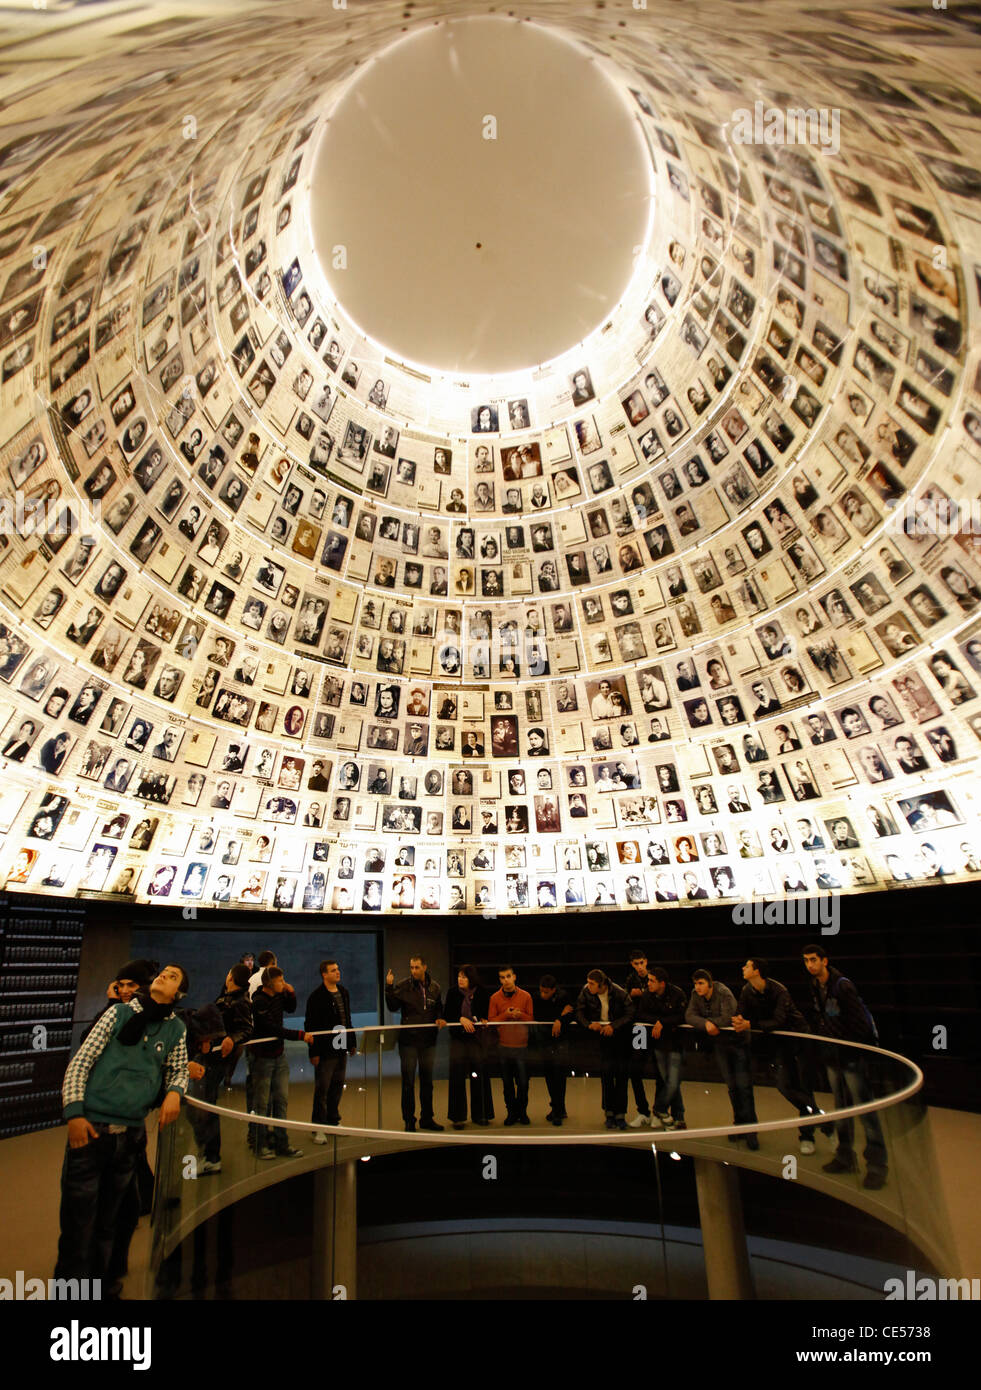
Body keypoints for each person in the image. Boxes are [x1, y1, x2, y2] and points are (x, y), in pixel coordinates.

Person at [56, 964, 190, 1286]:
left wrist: (175, 1091)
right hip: (91, 1131)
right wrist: (74, 1113)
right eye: (163, 973)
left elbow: (179, 1069)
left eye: (172, 977)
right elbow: (82, 1061)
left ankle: (101, 1289)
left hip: (130, 1137)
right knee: (78, 1226)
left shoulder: (176, 1029)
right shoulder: (117, 1014)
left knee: (109, 1223)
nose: (163, 976)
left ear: (179, 994)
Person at [801, 945, 887, 1189]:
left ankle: (877, 1165)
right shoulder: (815, 986)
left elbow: (859, 1024)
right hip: (833, 1059)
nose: (810, 965)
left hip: (850, 1059)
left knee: (866, 1110)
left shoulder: (842, 986)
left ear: (824, 961)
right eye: (806, 961)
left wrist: (850, 1051)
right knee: (841, 1108)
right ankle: (845, 1155)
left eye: (814, 960)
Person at [732, 958, 827, 1154]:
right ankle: (818, 1116)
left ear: (757, 971)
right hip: (777, 1046)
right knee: (785, 1086)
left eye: (747, 966)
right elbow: (740, 1012)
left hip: (798, 1043)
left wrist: (750, 1024)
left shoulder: (779, 991)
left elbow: (780, 1020)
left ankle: (808, 1134)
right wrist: (739, 1020)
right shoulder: (746, 991)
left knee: (802, 1087)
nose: (743, 968)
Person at [187, 964, 253, 1174]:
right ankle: (207, 1154)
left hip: (215, 1061)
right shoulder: (226, 997)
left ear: (231, 977)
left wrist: (231, 1040)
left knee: (204, 1107)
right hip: (210, 1056)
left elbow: (246, 1029)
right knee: (201, 1106)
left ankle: (210, 1156)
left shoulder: (239, 1001)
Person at [686, 969, 758, 1147]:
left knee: (744, 1088)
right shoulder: (695, 995)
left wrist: (713, 1023)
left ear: (710, 984)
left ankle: (751, 1130)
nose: (698, 987)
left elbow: (728, 1016)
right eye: (696, 984)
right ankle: (739, 1125)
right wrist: (706, 1024)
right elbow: (689, 1015)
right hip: (720, 1046)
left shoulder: (723, 993)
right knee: (732, 1087)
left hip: (738, 1044)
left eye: (701, 983)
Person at [249, 966, 312, 1159]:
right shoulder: (258, 1001)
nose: (283, 983)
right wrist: (300, 1035)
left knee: (281, 1101)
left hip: (279, 1056)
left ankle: (281, 1143)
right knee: (262, 1103)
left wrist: (290, 994)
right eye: (280, 980)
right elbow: (271, 1028)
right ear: (269, 983)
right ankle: (260, 1145)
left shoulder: (278, 996)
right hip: (263, 1059)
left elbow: (290, 1008)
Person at [385, 956, 445, 1132]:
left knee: (427, 1082)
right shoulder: (403, 986)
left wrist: (440, 1017)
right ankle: (409, 1120)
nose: (414, 971)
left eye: (417, 967)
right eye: (411, 967)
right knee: (408, 1083)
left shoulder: (435, 987)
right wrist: (389, 987)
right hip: (408, 1042)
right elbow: (392, 1006)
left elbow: (438, 1007)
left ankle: (427, 1118)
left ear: (424, 967)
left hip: (428, 1041)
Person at [576, 969, 636, 1128]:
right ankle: (609, 1113)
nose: (588, 986)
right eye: (588, 983)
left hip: (621, 1038)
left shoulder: (619, 993)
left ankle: (620, 1114)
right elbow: (579, 1012)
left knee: (622, 1076)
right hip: (603, 1038)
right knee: (607, 1075)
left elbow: (630, 1013)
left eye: (592, 984)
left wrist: (613, 1026)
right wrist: (589, 1024)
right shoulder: (586, 992)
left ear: (601, 985)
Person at [305, 959, 358, 1133]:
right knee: (322, 1088)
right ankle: (318, 1126)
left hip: (341, 1045)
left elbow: (347, 1019)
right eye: (333, 970)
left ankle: (333, 1121)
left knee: (337, 1086)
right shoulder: (316, 997)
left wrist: (352, 1042)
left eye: (338, 969)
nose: (338, 972)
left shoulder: (344, 992)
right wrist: (314, 1052)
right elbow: (311, 1025)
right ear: (324, 974)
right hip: (325, 1049)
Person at [635, 967, 688, 1129]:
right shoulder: (647, 995)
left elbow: (683, 1015)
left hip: (675, 1044)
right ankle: (678, 1117)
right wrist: (660, 1021)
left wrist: (663, 1023)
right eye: (648, 980)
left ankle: (659, 1109)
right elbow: (641, 1014)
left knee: (672, 1082)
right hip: (658, 1044)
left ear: (662, 983)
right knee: (668, 1081)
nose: (648, 984)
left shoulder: (677, 994)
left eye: (652, 981)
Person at [443, 965, 494, 1128]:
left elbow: (486, 1013)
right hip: (458, 1038)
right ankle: (457, 1117)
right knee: (457, 1075)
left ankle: (481, 1114)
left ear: (471, 979)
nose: (460, 980)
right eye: (459, 976)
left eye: (464, 977)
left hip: (476, 1039)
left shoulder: (481, 992)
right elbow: (447, 1015)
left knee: (479, 1075)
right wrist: (460, 1019)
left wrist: (483, 1019)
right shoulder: (452, 993)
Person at [487, 966, 534, 1125]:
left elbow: (532, 1020)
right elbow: (491, 1021)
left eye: (508, 976)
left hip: (522, 1046)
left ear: (514, 977)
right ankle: (511, 1113)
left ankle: (522, 1112)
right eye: (502, 977)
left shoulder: (526, 996)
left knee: (523, 1083)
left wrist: (520, 1015)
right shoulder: (494, 998)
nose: (505, 980)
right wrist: (506, 1014)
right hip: (503, 1046)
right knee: (507, 1084)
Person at [532, 975, 573, 1125]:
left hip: (560, 1042)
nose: (543, 995)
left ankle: (558, 1109)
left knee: (559, 1077)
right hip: (544, 1041)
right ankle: (557, 1107)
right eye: (541, 991)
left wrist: (560, 1019)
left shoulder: (564, 997)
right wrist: (559, 1015)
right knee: (549, 1076)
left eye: (546, 992)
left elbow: (571, 1013)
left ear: (554, 990)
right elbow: (538, 1015)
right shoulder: (537, 998)